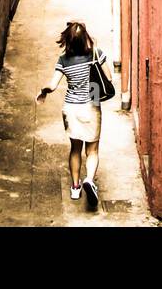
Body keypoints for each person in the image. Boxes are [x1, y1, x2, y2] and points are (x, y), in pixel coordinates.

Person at [36, 21, 112, 209]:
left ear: (67, 41)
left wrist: (43, 91)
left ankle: (76, 187)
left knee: (75, 149)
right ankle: (89, 180)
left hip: (71, 108)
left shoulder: (63, 60)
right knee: (92, 150)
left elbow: (52, 85)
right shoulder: (96, 54)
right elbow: (108, 79)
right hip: (91, 105)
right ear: (84, 37)